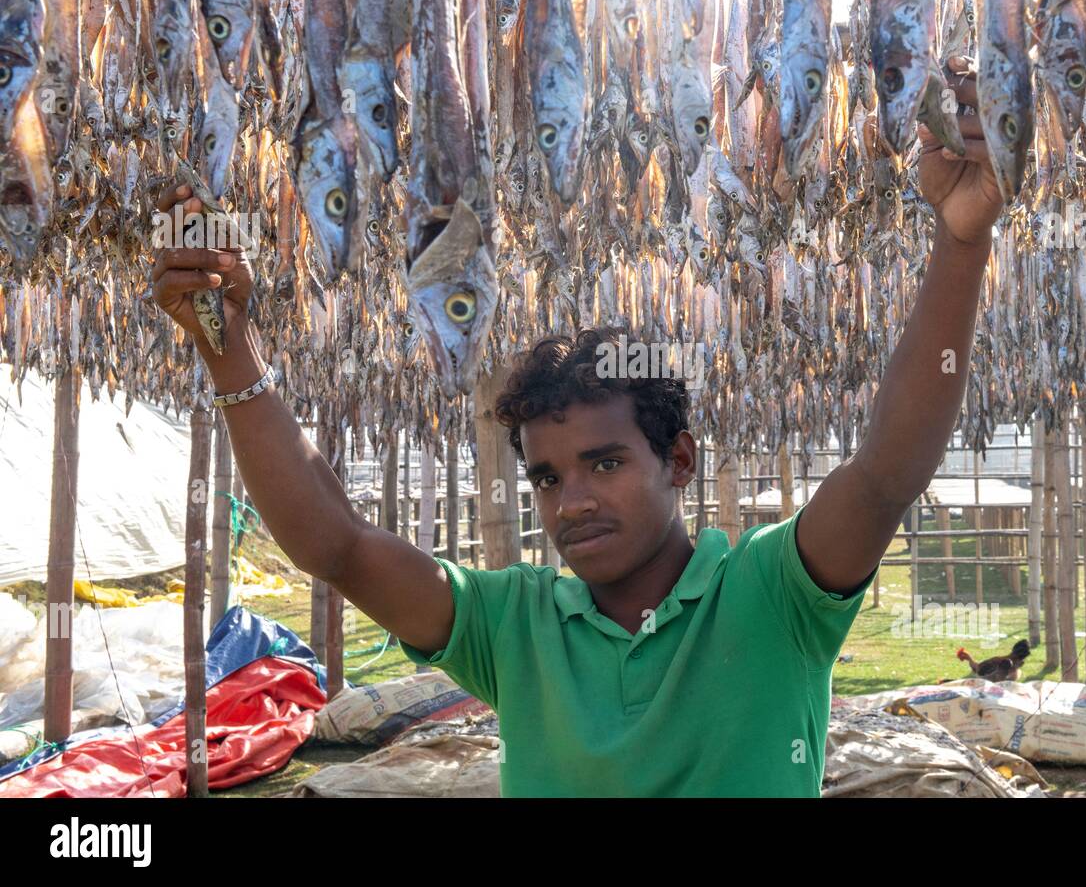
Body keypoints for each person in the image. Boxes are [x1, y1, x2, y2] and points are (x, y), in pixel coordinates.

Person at [149, 58, 1005, 796]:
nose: (572, 501)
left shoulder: (773, 594)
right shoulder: (511, 626)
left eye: (603, 463)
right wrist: (229, 349)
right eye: (548, 477)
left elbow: (888, 468)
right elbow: (332, 543)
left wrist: (961, 244)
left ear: (679, 460)